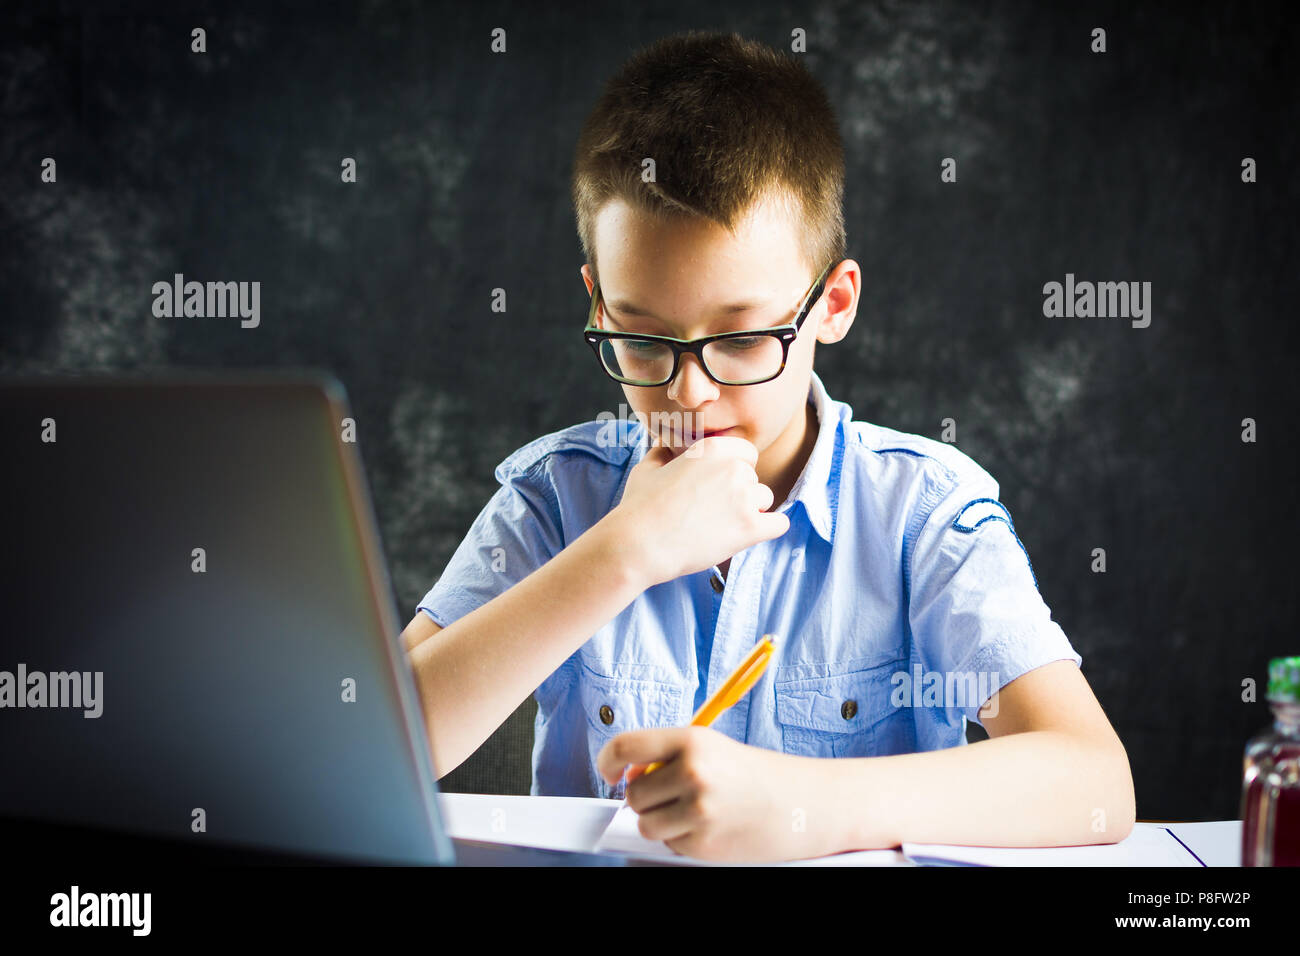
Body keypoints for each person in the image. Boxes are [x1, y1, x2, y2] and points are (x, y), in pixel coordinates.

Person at [401, 30, 1134, 863]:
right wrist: (621, 553)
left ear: (833, 305)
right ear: (598, 306)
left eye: (744, 339)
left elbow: (1094, 780)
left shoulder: (919, 516)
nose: (687, 395)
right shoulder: (556, 498)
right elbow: (371, 747)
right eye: (643, 341)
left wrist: (805, 805)